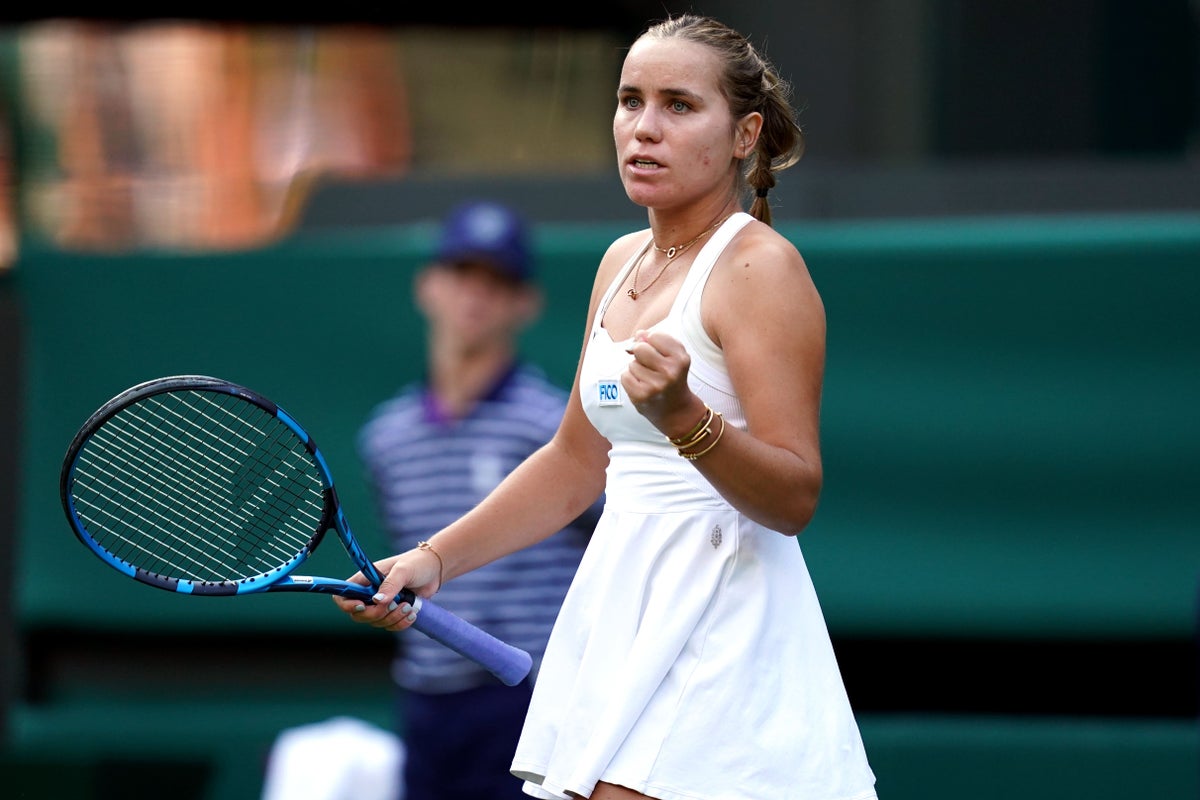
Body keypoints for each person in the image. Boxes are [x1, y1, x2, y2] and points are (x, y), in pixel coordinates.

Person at [337, 14, 878, 800]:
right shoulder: (621, 260)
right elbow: (574, 463)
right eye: (630, 101)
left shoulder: (762, 269)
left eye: (679, 106)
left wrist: (688, 420)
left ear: (743, 134)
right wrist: (434, 560)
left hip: (721, 615)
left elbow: (795, 495)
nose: (644, 128)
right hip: (622, 604)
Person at [355, 199, 597, 800]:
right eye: (463, 274)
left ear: (526, 303)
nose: (476, 296)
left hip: (532, 701)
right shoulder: (386, 439)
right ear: (428, 286)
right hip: (427, 705)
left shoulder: (557, 431)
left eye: (498, 281)